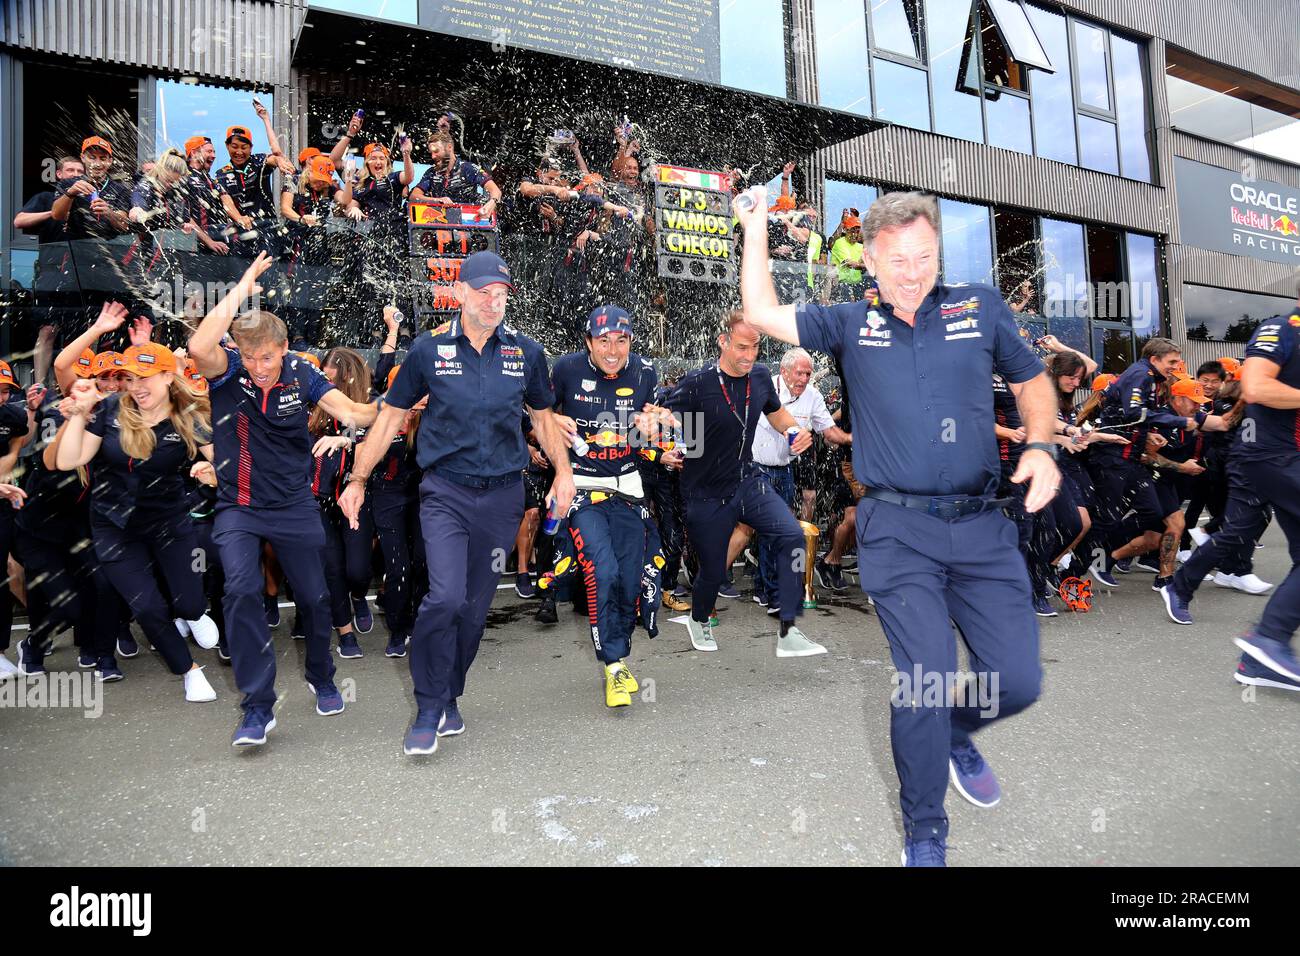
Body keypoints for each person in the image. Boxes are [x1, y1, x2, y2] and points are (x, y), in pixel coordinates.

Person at [737, 187, 1061, 867]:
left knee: (1019, 679)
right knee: (927, 681)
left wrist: (1040, 444)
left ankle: (960, 733)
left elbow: (1033, 382)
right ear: (871, 264)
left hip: (981, 526)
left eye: (923, 256)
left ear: (938, 253)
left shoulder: (980, 308)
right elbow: (762, 311)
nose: (912, 271)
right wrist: (757, 227)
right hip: (898, 530)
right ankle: (925, 833)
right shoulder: (850, 321)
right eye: (896, 259)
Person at [338, 251, 574, 757]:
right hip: (445, 492)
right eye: (484, 292)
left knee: (472, 609)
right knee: (444, 597)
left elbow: (543, 419)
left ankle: (451, 694)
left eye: (502, 293)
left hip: (503, 498)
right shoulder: (427, 351)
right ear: (461, 293)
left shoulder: (526, 354)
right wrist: (358, 478)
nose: (494, 302)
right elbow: (387, 420)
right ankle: (427, 705)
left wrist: (565, 473)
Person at [188, 253, 380, 747]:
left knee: (316, 599)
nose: (259, 368)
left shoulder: (302, 373)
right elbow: (197, 343)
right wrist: (243, 284)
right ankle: (257, 707)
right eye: (250, 357)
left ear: (285, 349)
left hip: (295, 506)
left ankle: (321, 674)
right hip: (239, 507)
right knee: (242, 591)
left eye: (267, 357)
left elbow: (354, 413)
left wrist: (397, 403)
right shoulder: (228, 370)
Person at [54, 341, 220, 698]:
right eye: (130, 378)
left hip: (170, 523)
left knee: (190, 602)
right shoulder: (111, 408)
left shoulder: (188, 415)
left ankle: (191, 613)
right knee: (146, 606)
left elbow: (226, 464)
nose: (136, 386)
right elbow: (69, 460)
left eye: (145, 377)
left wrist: (212, 471)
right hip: (114, 526)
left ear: (167, 376)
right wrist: (80, 415)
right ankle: (189, 671)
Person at [664, 311, 827, 658]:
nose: (749, 355)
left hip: (747, 479)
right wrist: (664, 444)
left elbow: (775, 411)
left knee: (791, 534)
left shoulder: (761, 377)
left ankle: (788, 629)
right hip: (705, 491)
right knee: (711, 570)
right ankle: (698, 618)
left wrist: (794, 431)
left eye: (754, 347)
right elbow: (664, 419)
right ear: (722, 342)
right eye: (741, 347)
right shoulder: (697, 382)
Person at [548, 304, 673, 707]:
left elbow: (654, 431)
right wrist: (552, 423)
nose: (613, 350)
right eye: (603, 341)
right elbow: (536, 417)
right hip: (582, 486)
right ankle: (614, 664)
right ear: (588, 342)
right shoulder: (566, 370)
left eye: (621, 340)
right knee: (602, 569)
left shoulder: (645, 371)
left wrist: (655, 428)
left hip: (629, 487)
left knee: (630, 574)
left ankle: (618, 654)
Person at [1087, 338, 1227, 589]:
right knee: (1120, 521)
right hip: (1134, 468)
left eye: (1201, 404)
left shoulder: (1162, 393)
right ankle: (1157, 576)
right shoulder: (1147, 385)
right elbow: (1139, 433)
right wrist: (1180, 462)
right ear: (1178, 399)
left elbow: (1222, 423)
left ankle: (1111, 558)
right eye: (1194, 402)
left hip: (1155, 475)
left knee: (1153, 534)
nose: (1198, 407)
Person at [1225, 308, 1300, 690]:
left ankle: (1262, 657)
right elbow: (1255, 387)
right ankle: (1268, 642)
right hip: (1275, 456)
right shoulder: (1282, 328)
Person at [750, 347, 850, 614]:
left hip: (784, 471)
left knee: (778, 530)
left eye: (808, 373)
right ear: (784, 371)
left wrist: (853, 439)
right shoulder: (764, 387)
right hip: (755, 468)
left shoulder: (813, 396)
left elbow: (829, 431)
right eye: (800, 372)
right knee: (765, 529)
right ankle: (770, 592)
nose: (805, 378)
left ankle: (766, 587)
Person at [14, 155, 85, 384]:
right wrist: (52, 213)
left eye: (79, 171)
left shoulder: (89, 201)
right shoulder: (45, 197)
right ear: (59, 174)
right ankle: (39, 387)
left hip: (83, 274)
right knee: (47, 330)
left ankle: (74, 384)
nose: (75, 174)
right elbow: (19, 221)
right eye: (70, 170)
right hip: (51, 271)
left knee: (80, 334)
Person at [215, 104, 295, 258]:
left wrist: (280, 162)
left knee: (268, 275)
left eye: (244, 147)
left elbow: (276, 155)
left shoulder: (258, 161)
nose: (239, 152)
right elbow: (226, 201)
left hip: (267, 230)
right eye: (234, 146)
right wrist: (239, 218)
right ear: (227, 146)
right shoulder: (222, 173)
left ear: (250, 148)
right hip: (241, 233)